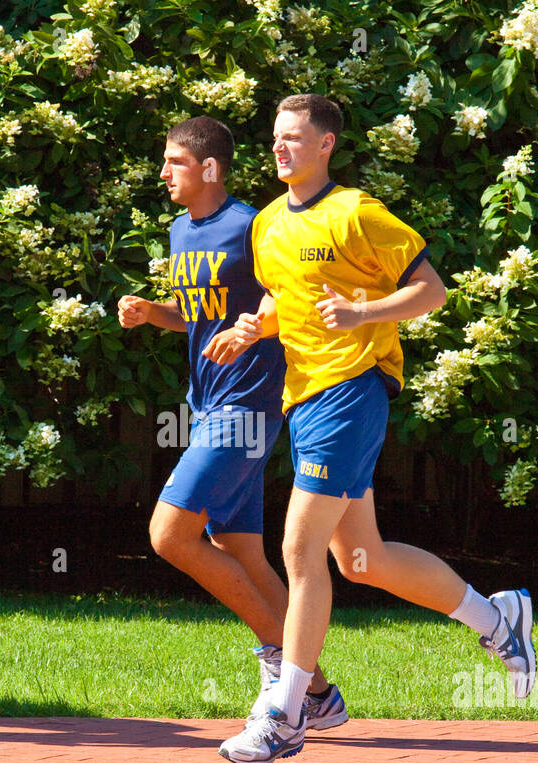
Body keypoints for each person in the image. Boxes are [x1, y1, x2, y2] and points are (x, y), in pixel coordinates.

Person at [216, 94, 535, 763]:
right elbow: (286, 295)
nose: (280, 148)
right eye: (276, 137)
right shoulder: (268, 223)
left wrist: (364, 311)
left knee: (298, 549)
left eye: (295, 138)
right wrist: (255, 325)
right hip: (303, 398)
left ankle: (288, 712)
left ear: (326, 144)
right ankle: (498, 618)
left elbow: (431, 292)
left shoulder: (358, 213)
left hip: (352, 390)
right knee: (361, 559)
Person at [117, 116, 346, 729]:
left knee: (168, 536)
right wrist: (152, 313)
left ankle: (281, 663)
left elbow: (289, 293)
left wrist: (254, 333)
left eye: (175, 162)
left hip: (248, 406)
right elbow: (200, 313)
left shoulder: (251, 226)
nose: (163, 173)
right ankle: (317, 697)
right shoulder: (178, 231)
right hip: (209, 405)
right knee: (237, 548)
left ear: (209, 168)